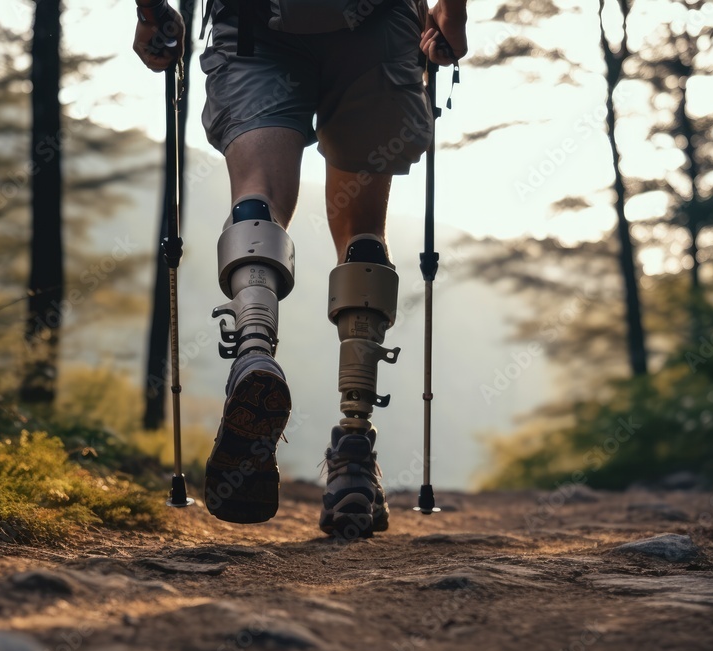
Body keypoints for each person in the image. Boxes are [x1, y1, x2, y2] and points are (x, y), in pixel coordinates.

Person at [133, 0, 467, 537]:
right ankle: (354, 445)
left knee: (258, 198)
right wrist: (454, 13)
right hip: (376, 26)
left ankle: (254, 352)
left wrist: (152, 12)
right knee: (362, 234)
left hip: (253, 22)